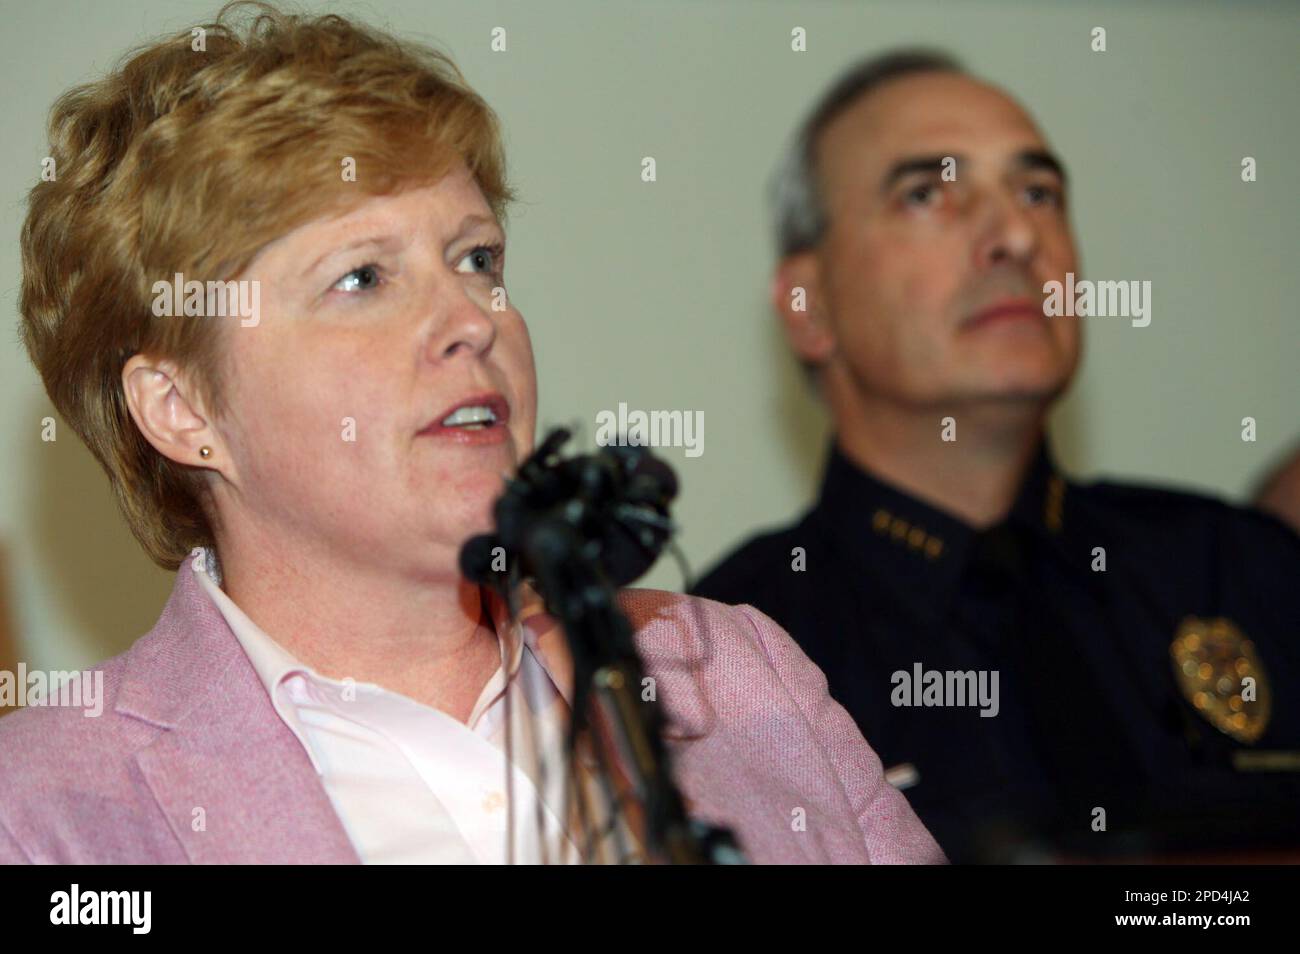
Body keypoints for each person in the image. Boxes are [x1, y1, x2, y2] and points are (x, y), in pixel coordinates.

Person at [0, 3, 942, 865]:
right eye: (362, 278)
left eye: (477, 258)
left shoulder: (730, 670)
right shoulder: (45, 806)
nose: (472, 317)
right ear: (182, 409)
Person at [691, 51, 1300, 861]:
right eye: (927, 194)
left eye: (1038, 193)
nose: (1015, 235)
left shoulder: (1243, 569)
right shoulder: (734, 658)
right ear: (809, 308)